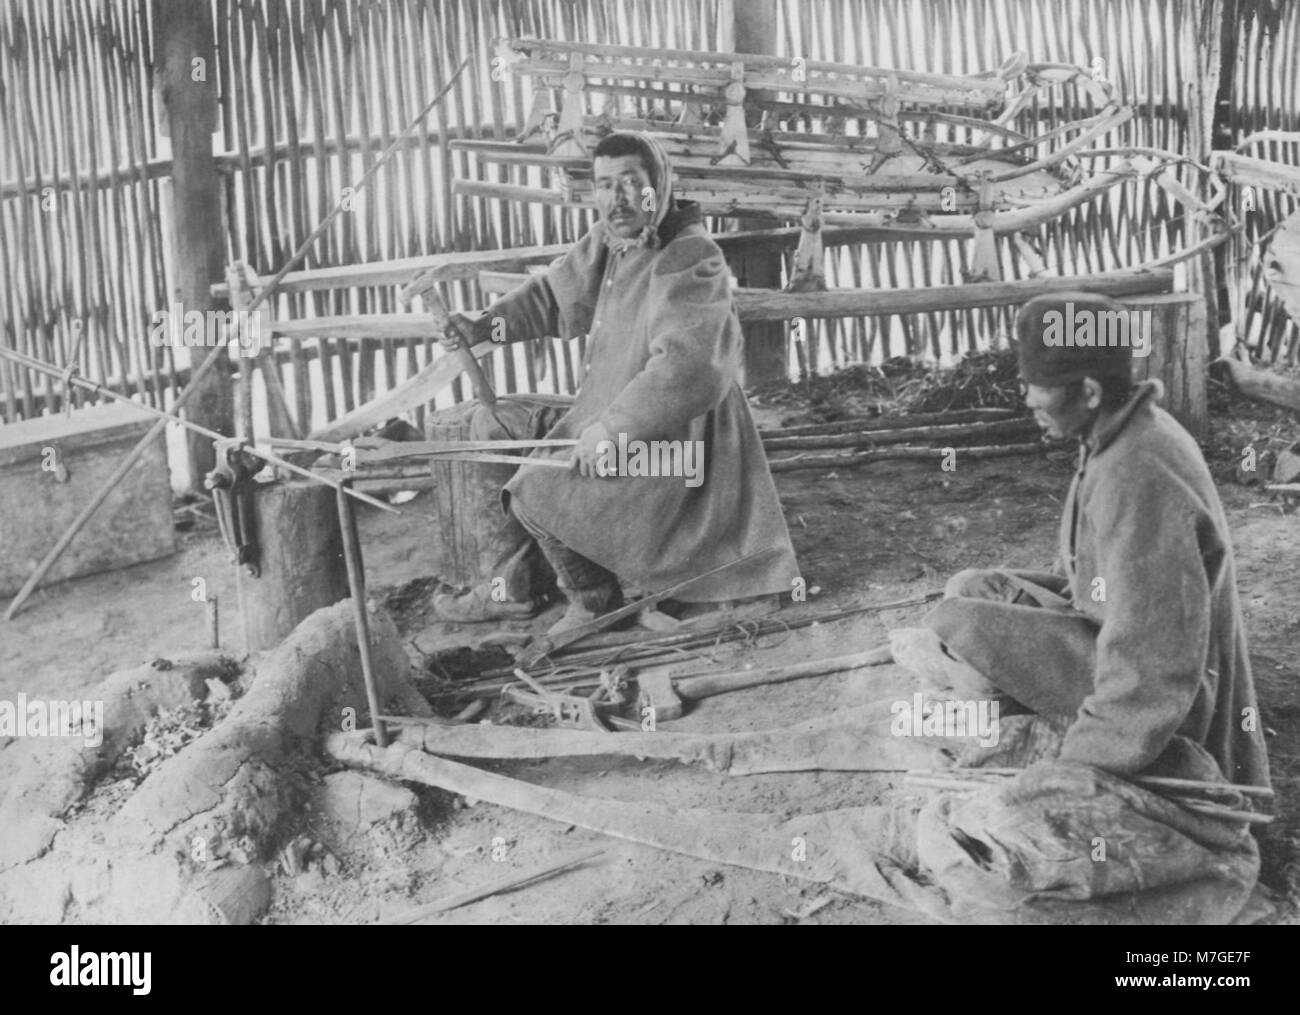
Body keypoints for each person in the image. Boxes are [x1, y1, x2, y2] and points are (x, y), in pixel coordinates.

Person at [874, 290, 1272, 923]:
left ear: (1088, 390)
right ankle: (1001, 693)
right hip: (1105, 620)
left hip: (1171, 689)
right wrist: (1010, 599)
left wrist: (1071, 772)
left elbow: (1154, 664)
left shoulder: (1138, 474)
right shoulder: (1119, 434)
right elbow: (1092, 581)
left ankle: (1024, 730)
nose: (1028, 399)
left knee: (960, 623)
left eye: (1039, 387)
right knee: (971, 589)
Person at [432, 130, 799, 633]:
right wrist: (482, 327)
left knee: (537, 490)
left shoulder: (689, 255)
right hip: (609, 411)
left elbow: (688, 368)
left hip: (676, 441)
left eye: (631, 183)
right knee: (495, 424)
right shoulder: (611, 241)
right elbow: (551, 299)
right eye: (605, 185)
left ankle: (593, 600)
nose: (617, 198)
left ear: (660, 184)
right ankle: (511, 586)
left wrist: (611, 430)